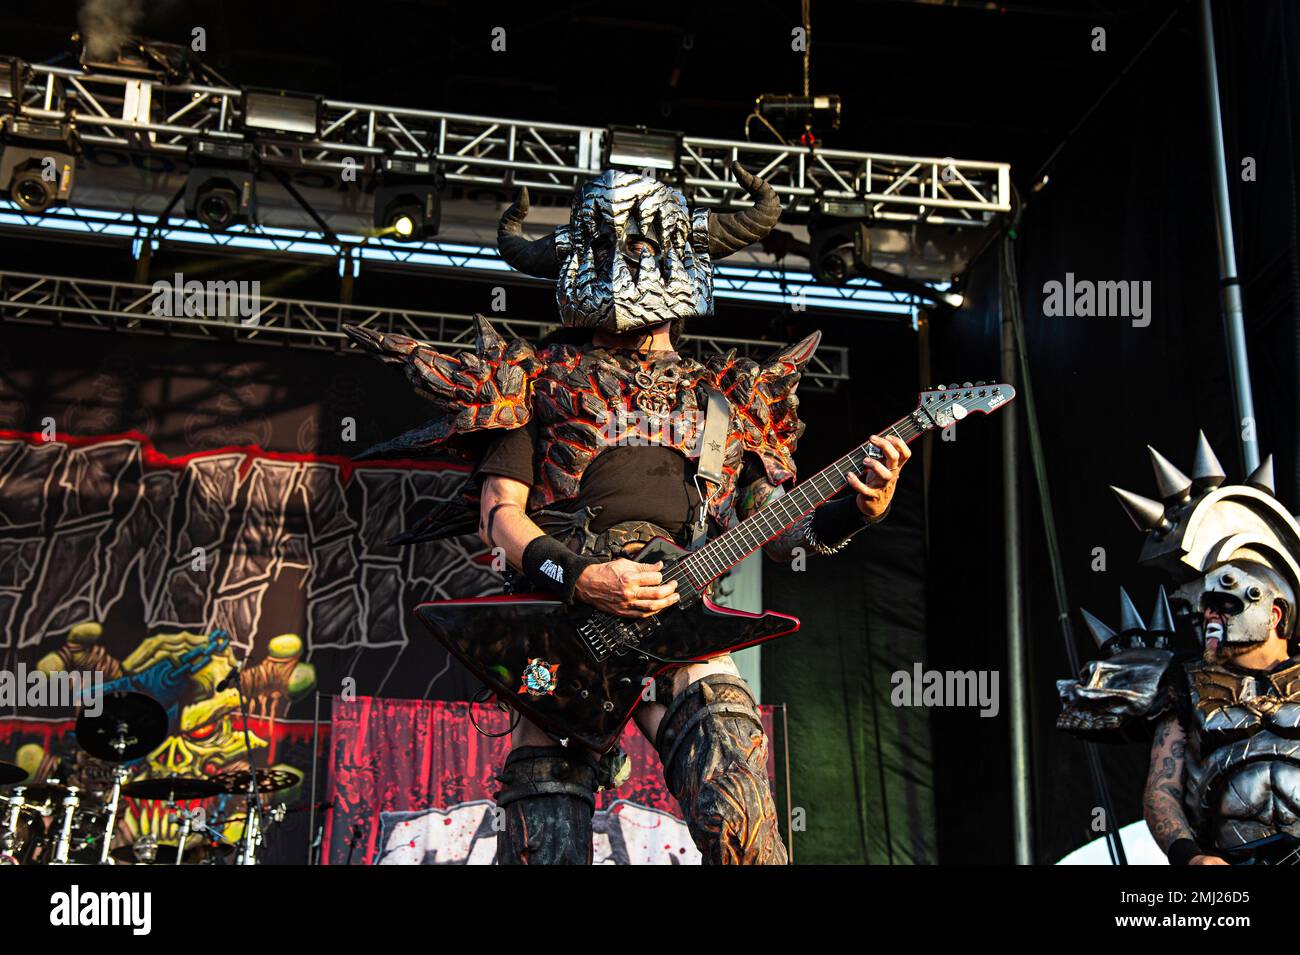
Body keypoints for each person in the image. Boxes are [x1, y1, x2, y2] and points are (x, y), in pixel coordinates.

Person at [346, 164, 911, 864]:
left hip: (679, 624)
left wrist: (855, 511)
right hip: (562, 630)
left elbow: (773, 524)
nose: (633, 261)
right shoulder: (539, 378)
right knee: (546, 841)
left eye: (649, 247)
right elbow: (502, 515)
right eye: (616, 247)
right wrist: (583, 577)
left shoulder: (722, 401)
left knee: (742, 819)